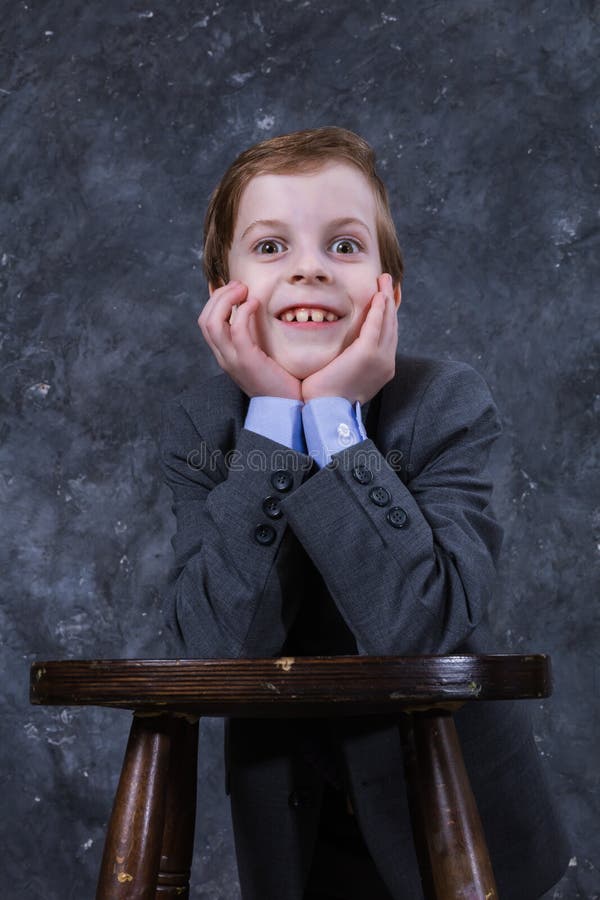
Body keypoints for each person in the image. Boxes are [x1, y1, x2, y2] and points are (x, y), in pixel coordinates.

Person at [159, 127, 569, 899]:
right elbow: (212, 651)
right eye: (271, 246)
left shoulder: (447, 403)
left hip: (455, 822)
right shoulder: (199, 429)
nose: (310, 266)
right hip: (294, 825)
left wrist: (338, 422)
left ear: (389, 287)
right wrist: (276, 419)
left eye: (344, 246)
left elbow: (424, 627)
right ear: (221, 288)